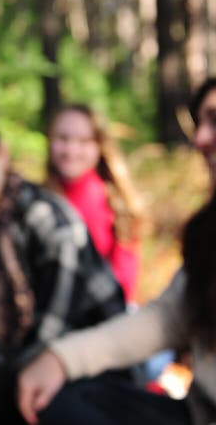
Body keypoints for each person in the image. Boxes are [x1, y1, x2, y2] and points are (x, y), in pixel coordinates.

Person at [17, 78, 216, 425]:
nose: (199, 140)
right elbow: (171, 315)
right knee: (69, 399)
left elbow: (120, 285)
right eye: (201, 123)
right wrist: (61, 358)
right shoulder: (207, 230)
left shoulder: (109, 205)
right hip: (193, 406)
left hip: (107, 314)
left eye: (215, 120)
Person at [0, 109, 125, 424]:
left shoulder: (46, 220)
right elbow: (11, 314)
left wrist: (0, 364)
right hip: (36, 346)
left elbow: (53, 331)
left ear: (1, 155)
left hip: (90, 364)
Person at [47, 104, 144, 302]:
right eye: (63, 138)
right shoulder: (40, 199)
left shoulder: (113, 202)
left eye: (84, 141)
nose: (71, 150)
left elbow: (124, 281)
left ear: (100, 146)